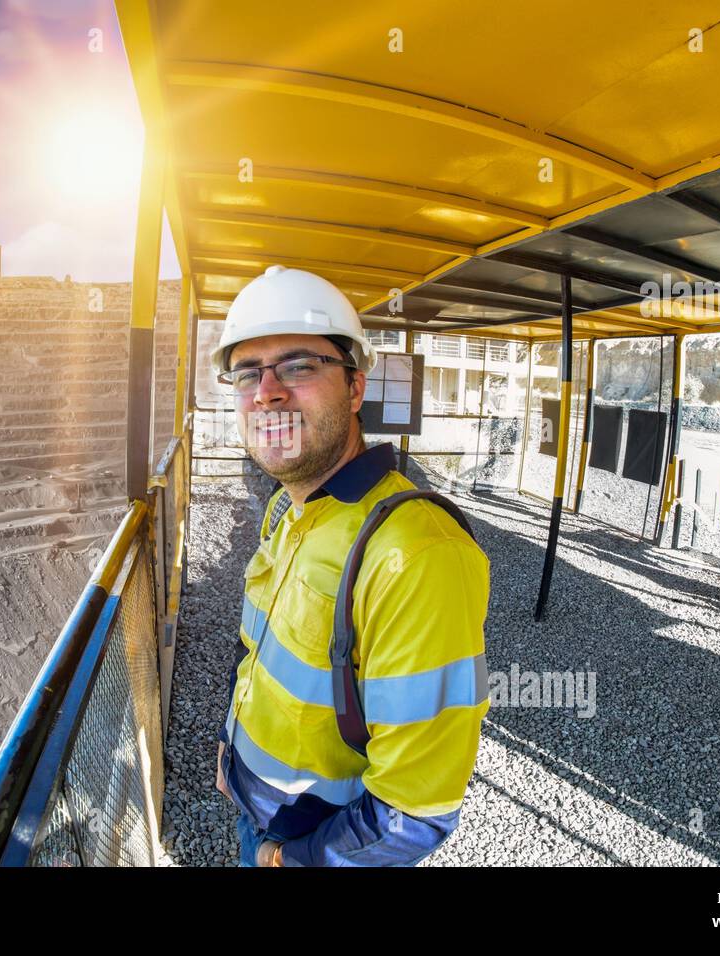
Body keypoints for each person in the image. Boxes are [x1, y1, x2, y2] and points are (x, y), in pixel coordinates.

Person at [211, 265, 491, 867]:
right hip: (252, 811)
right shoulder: (287, 511)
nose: (266, 392)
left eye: (299, 366)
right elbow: (259, 654)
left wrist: (293, 859)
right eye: (246, 373)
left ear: (356, 388)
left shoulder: (415, 553)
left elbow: (413, 812)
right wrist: (231, 753)